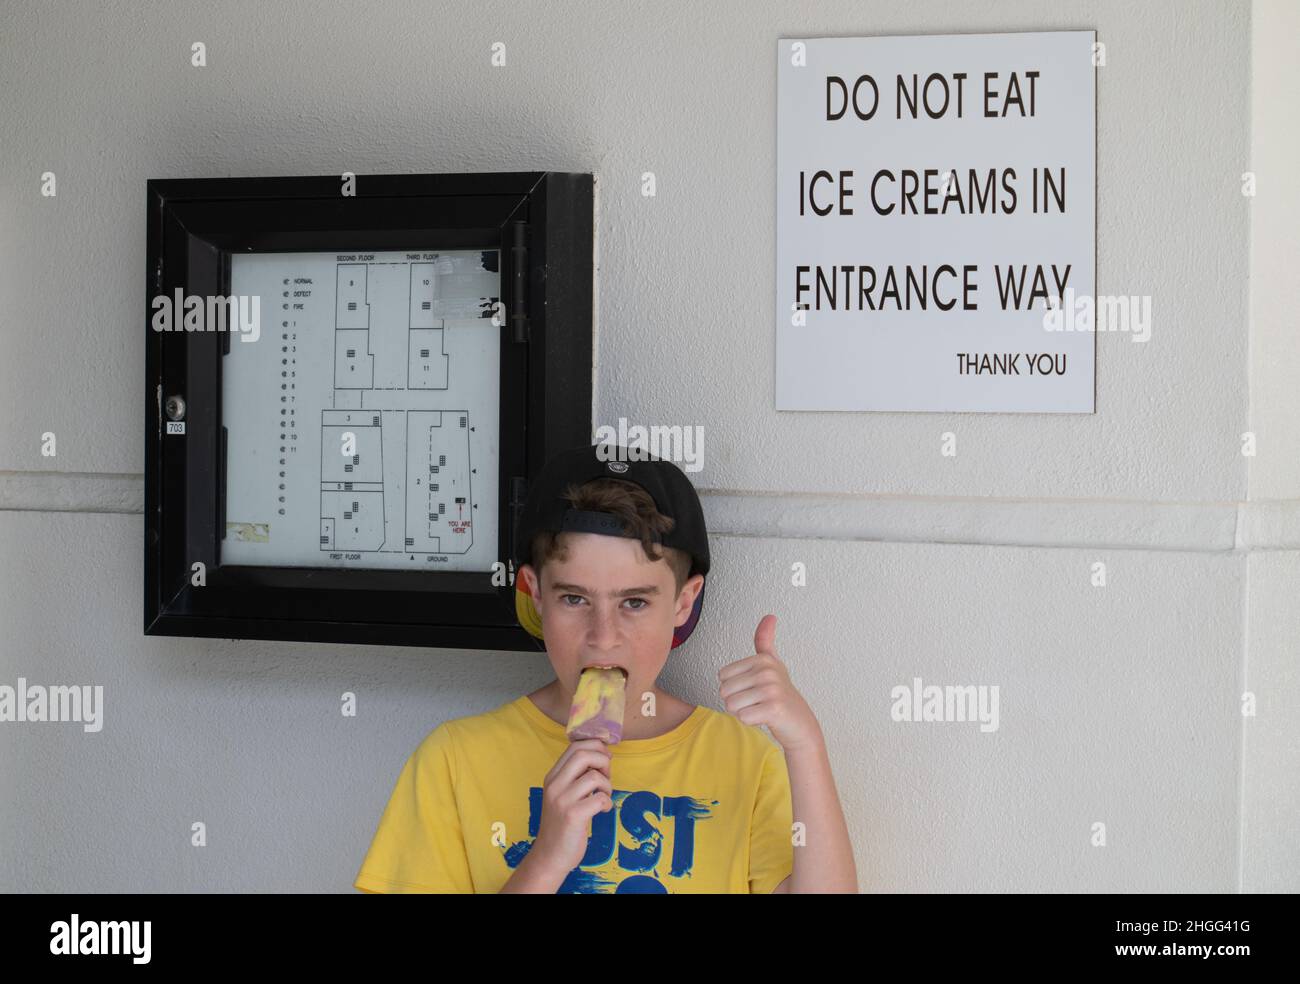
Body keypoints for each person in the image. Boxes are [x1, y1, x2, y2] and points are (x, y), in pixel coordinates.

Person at [354, 443, 855, 892]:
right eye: (574, 598)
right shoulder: (454, 761)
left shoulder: (744, 760)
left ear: (684, 603)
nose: (603, 636)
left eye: (634, 603)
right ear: (534, 593)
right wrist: (546, 859)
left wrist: (804, 743)